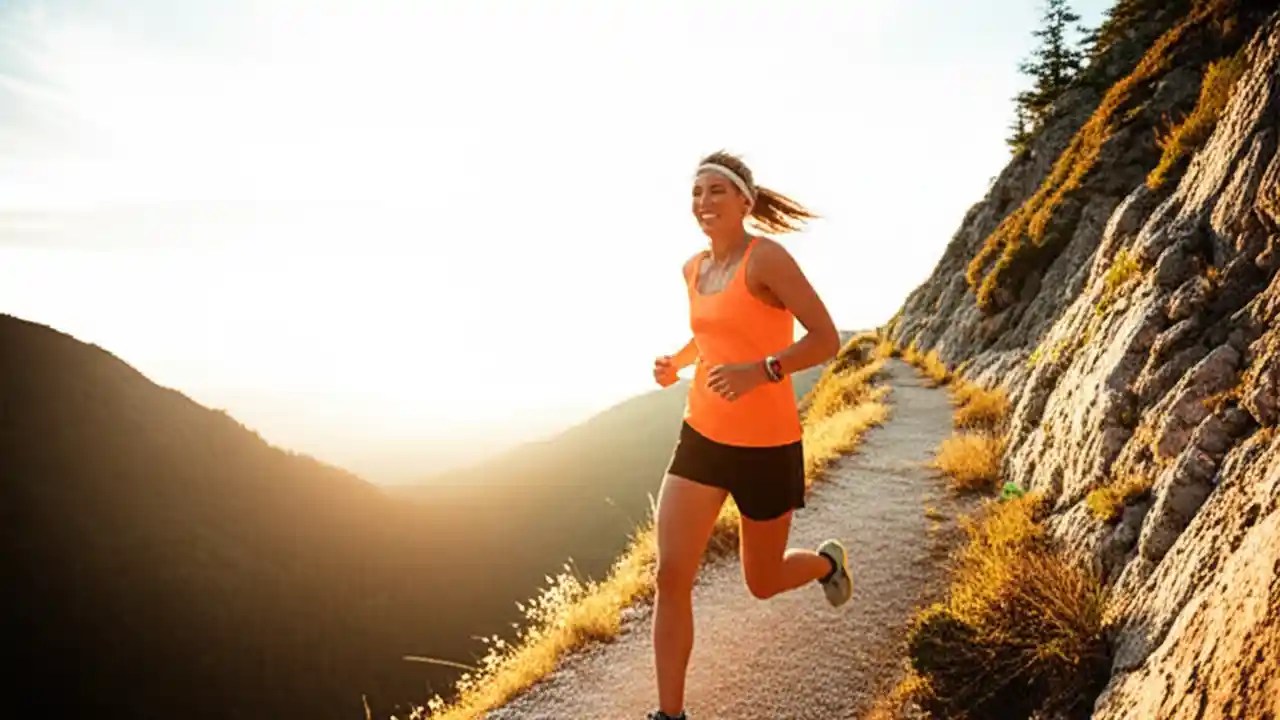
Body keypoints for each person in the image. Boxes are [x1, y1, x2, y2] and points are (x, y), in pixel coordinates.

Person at [646, 151, 853, 720]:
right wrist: (678, 363)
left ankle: (826, 565)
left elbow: (826, 339)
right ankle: (671, 715)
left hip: (767, 445)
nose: (704, 203)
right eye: (696, 193)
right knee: (670, 574)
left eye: (716, 191)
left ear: (744, 201)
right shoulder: (693, 269)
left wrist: (760, 371)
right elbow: (710, 336)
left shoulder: (767, 259)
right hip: (702, 438)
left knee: (762, 581)